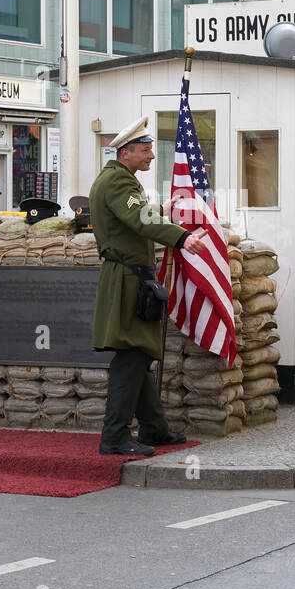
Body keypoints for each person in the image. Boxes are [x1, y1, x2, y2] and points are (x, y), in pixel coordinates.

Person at [90, 115, 209, 456]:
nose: (152, 156)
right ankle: (114, 436)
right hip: (128, 280)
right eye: (145, 150)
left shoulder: (117, 180)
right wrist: (182, 237)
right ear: (125, 152)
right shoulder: (118, 183)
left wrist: (160, 210)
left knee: (138, 354)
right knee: (132, 355)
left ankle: (154, 429)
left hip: (129, 277)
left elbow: (133, 217)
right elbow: (139, 220)